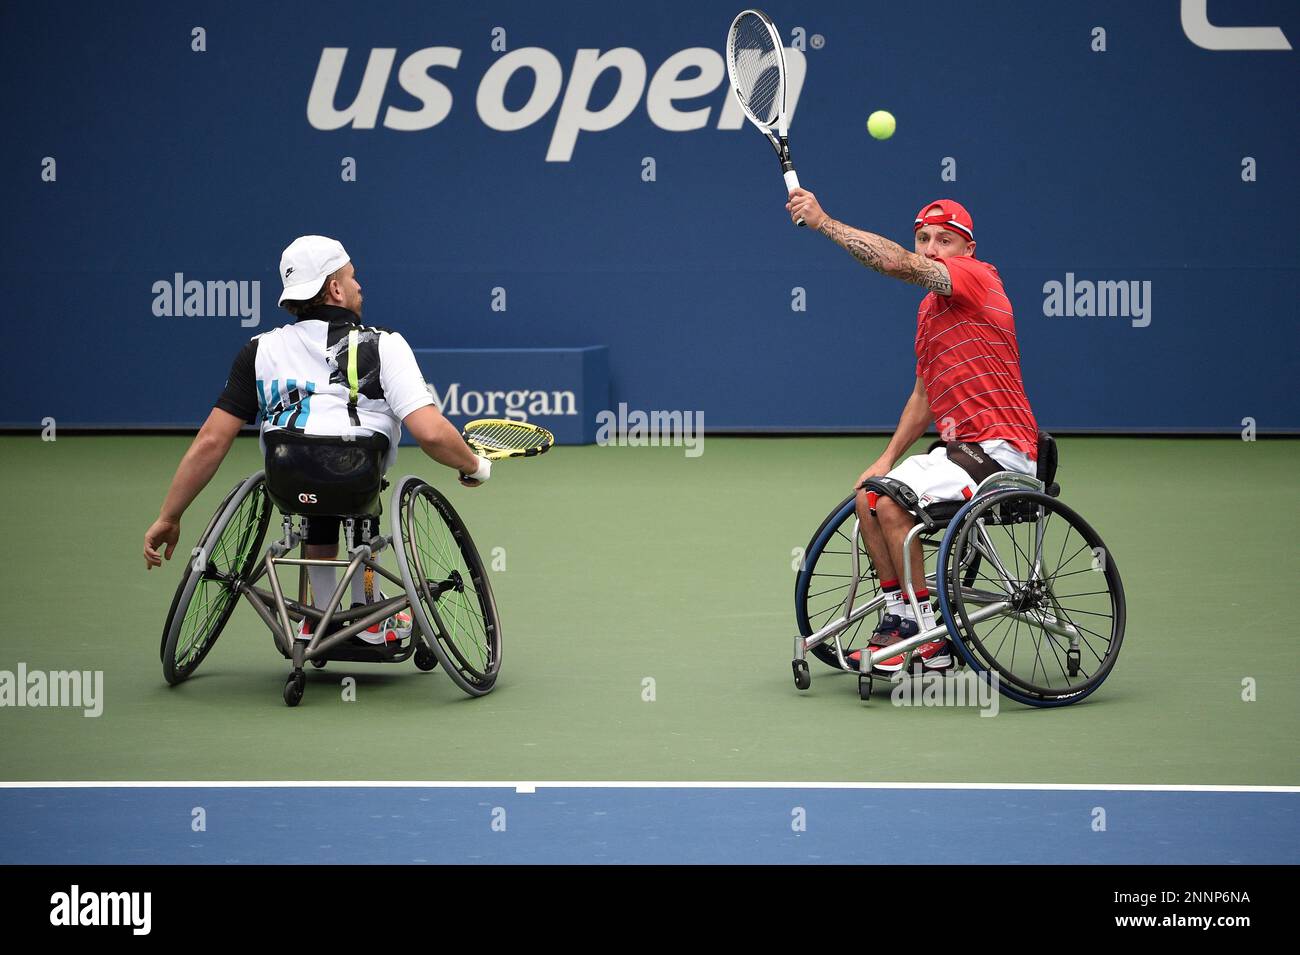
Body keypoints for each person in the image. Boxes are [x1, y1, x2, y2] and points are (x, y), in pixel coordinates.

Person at [143, 235, 491, 645]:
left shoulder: (259, 350)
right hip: (357, 478)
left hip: (286, 482)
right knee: (353, 485)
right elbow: (431, 432)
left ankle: (317, 616)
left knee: (316, 495)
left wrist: (169, 516)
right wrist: (474, 465)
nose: (360, 285)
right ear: (336, 289)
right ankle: (370, 619)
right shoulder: (385, 345)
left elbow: (210, 443)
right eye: (352, 276)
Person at [785, 191, 1039, 673]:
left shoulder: (977, 277)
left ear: (968, 249)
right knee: (870, 495)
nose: (931, 248)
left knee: (897, 502)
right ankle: (900, 615)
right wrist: (885, 458)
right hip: (958, 451)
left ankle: (933, 634)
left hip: (1004, 451)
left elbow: (897, 263)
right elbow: (924, 398)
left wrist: (824, 223)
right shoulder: (929, 314)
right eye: (923, 238)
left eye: (945, 240)